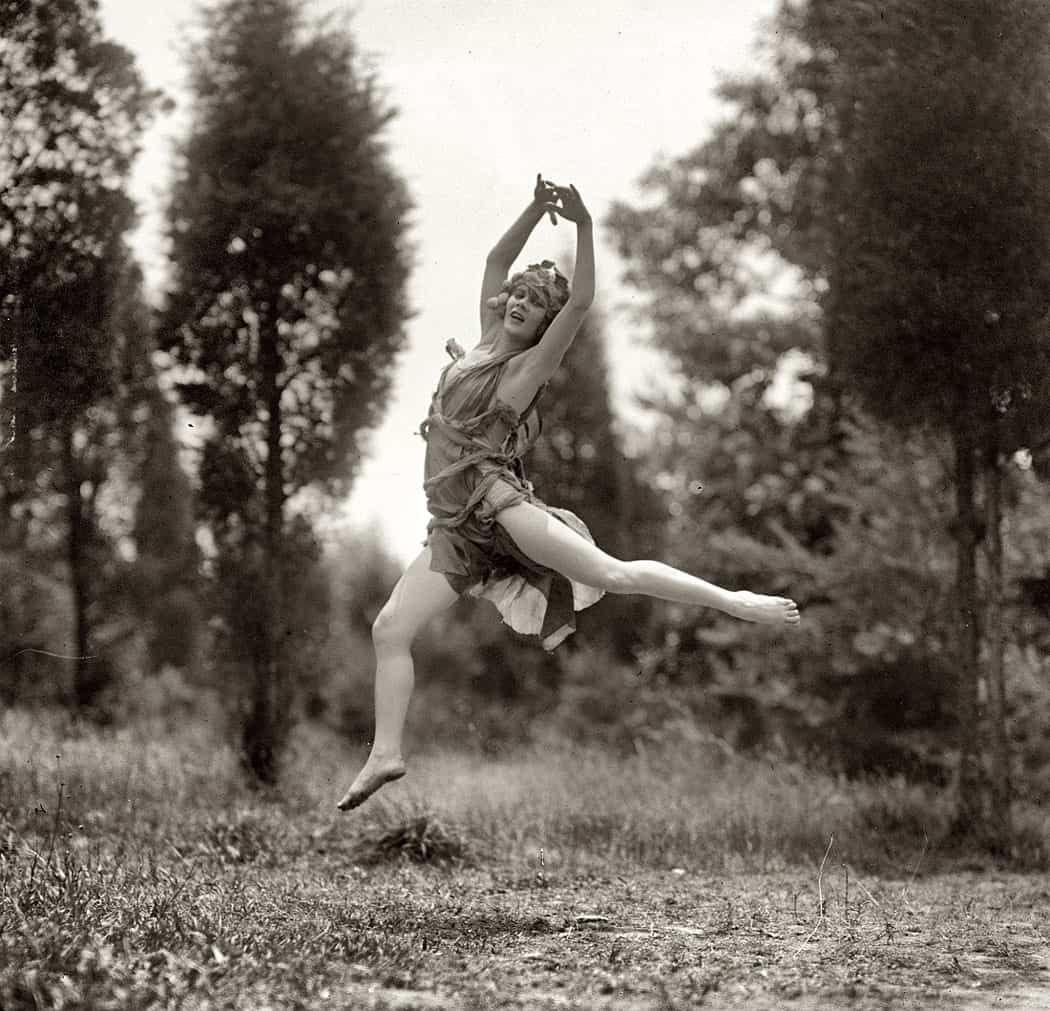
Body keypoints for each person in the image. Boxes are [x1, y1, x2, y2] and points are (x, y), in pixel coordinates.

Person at [336, 175, 800, 811]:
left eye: (536, 303)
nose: (523, 302)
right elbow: (497, 261)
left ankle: (735, 601)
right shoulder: (477, 345)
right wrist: (534, 207)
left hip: (500, 508)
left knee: (610, 571)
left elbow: (578, 305)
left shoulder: (524, 370)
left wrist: (582, 224)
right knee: (390, 628)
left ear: (543, 327)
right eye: (519, 295)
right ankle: (386, 754)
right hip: (454, 530)